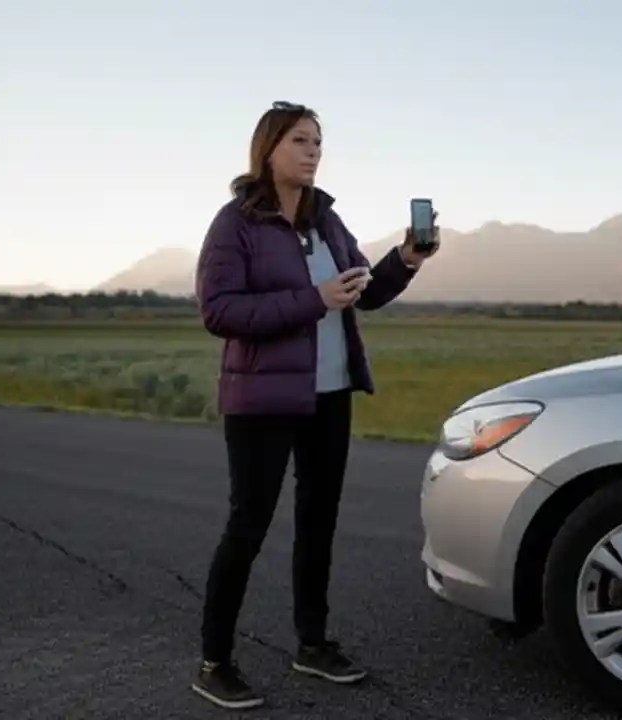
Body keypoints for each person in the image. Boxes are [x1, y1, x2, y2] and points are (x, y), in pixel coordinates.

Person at [190, 101, 439, 710]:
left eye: (319, 142)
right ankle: (215, 660)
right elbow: (218, 311)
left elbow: (362, 292)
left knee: (318, 522)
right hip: (262, 400)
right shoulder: (236, 223)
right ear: (269, 148)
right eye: (301, 140)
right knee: (247, 526)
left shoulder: (327, 219)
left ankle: (312, 643)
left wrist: (405, 259)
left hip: (329, 395)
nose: (313, 151)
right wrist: (311, 298)